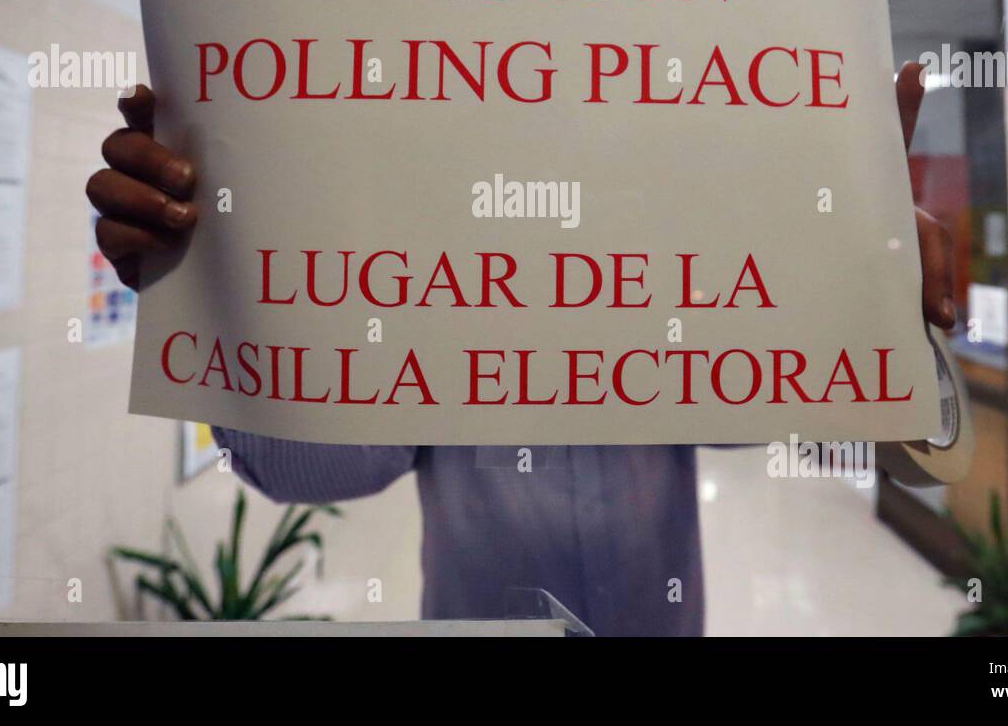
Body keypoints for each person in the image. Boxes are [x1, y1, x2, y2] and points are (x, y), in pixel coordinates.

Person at [86, 62, 954, 636]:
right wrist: (222, 295)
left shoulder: (668, 242)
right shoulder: (419, 254)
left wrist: (853, 293)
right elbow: (326, 468)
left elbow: (746, 420)